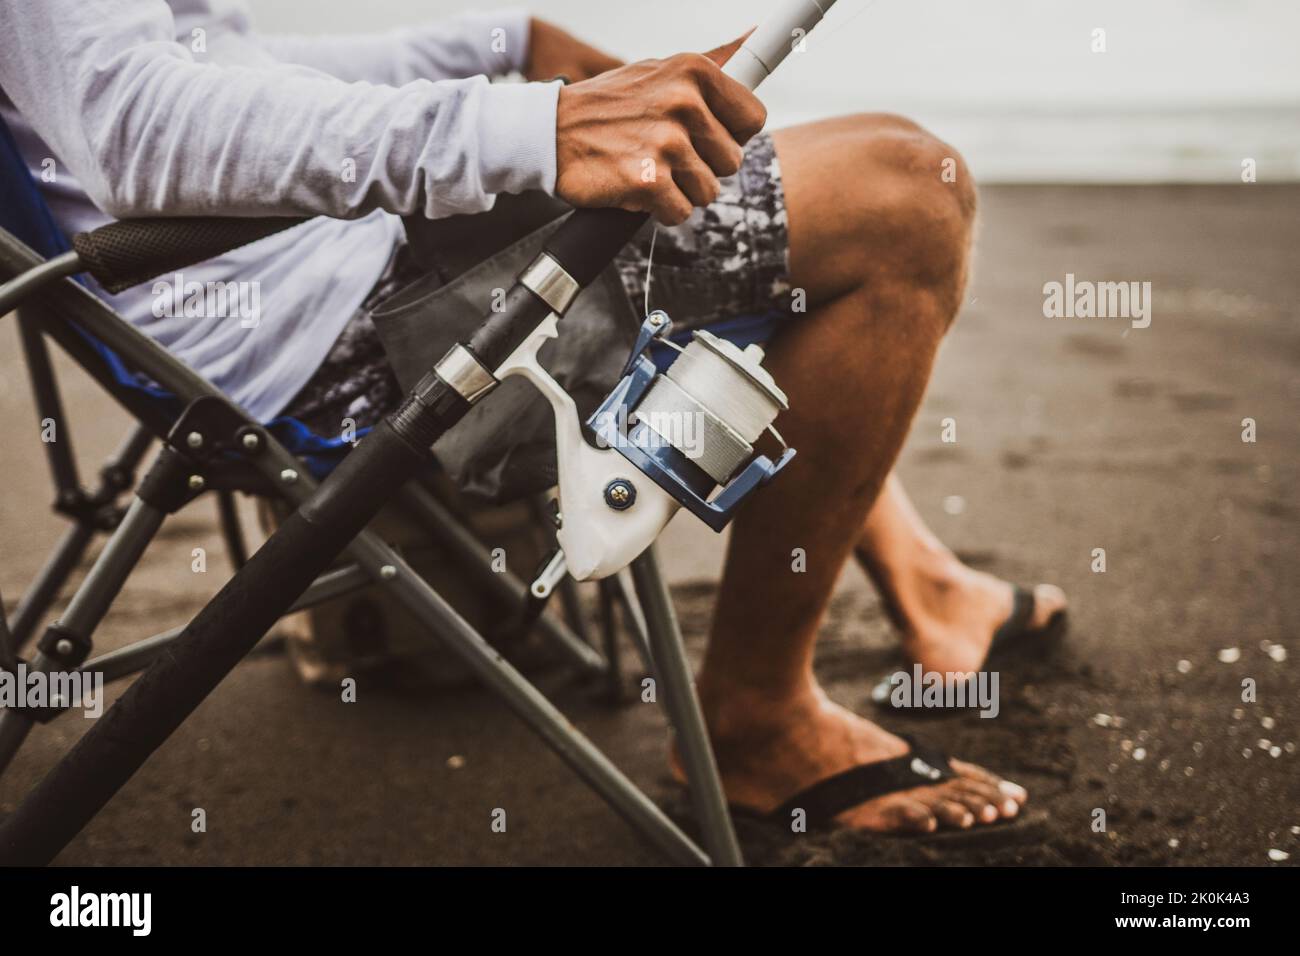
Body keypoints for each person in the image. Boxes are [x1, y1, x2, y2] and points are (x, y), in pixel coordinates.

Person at [0, 1, 1067, 834]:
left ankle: (929, 582)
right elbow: (136, 130)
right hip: (350, 351)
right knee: (907, 194)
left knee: (770, 177)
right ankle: (757, 721)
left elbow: (210, 71)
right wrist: (531, 125)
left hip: (327, 282)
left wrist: (502, 47)